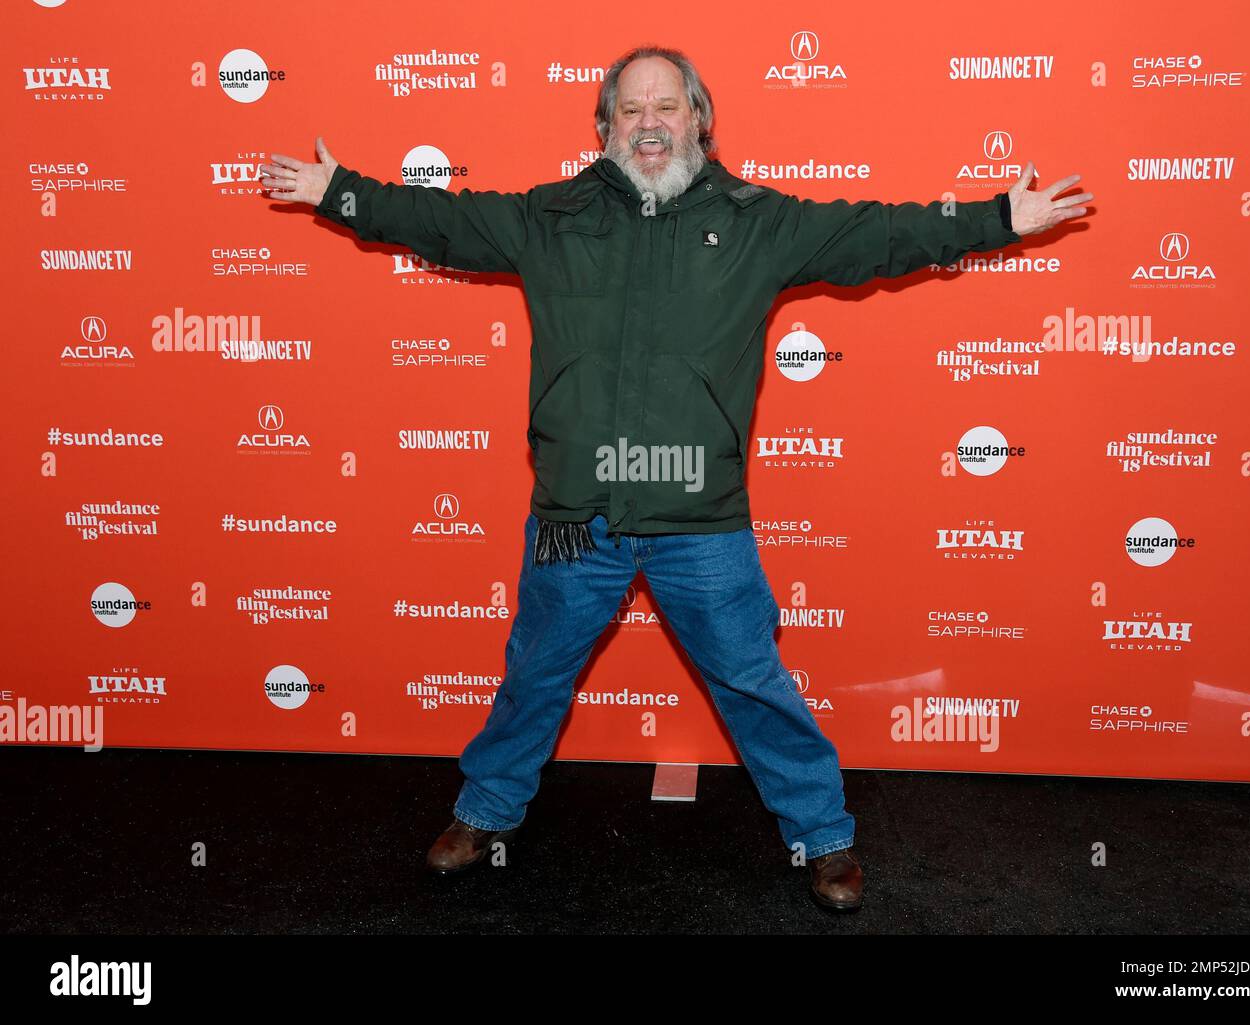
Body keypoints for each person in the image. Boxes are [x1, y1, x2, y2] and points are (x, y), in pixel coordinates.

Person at [260, 44, 1092, 914]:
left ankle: (824, 833)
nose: (649, 123)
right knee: (534, 673)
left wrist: (1000, 216)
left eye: (666, 106)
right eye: (631, 109)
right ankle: (487, 809)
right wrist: (339, 191)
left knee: (751, 679)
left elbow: (880, 234)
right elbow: (443, 221)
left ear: (699, 120)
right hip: (575, 517)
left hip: (701, 518)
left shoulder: (756, 220)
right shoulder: (553, 217)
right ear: (604, 127)